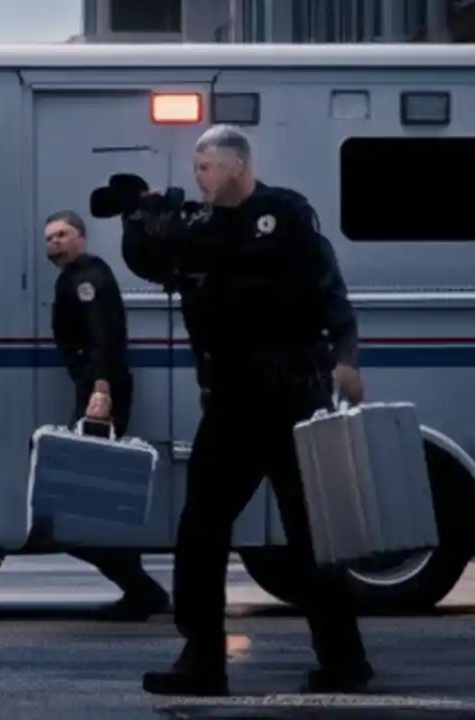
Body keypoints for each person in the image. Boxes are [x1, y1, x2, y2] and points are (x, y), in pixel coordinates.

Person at [120, 126, 373, 695]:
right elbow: (150, 266)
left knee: (309, 534)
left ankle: (344, 660)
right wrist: (137, 220)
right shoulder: (197, 230)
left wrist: (347, 359)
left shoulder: (284, 215)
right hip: (233, 403)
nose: (198, 177)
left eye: (206, 166)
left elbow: (331, 291)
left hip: (290, 398)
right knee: (202, 529)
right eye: (195, 167)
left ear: (237, 165)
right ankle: (202, 660)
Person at [44, 210, 170, 622]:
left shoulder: (87, 278)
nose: (55, 243)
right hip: (95, 386)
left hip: (101, 390)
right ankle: (139, 587)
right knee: (90, 496)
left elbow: (103, 336)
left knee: (90, 498)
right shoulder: (76, 276)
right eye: (49, 238)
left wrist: (100, 389)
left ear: (81, 237)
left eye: (62, 234)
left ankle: (142, 590)